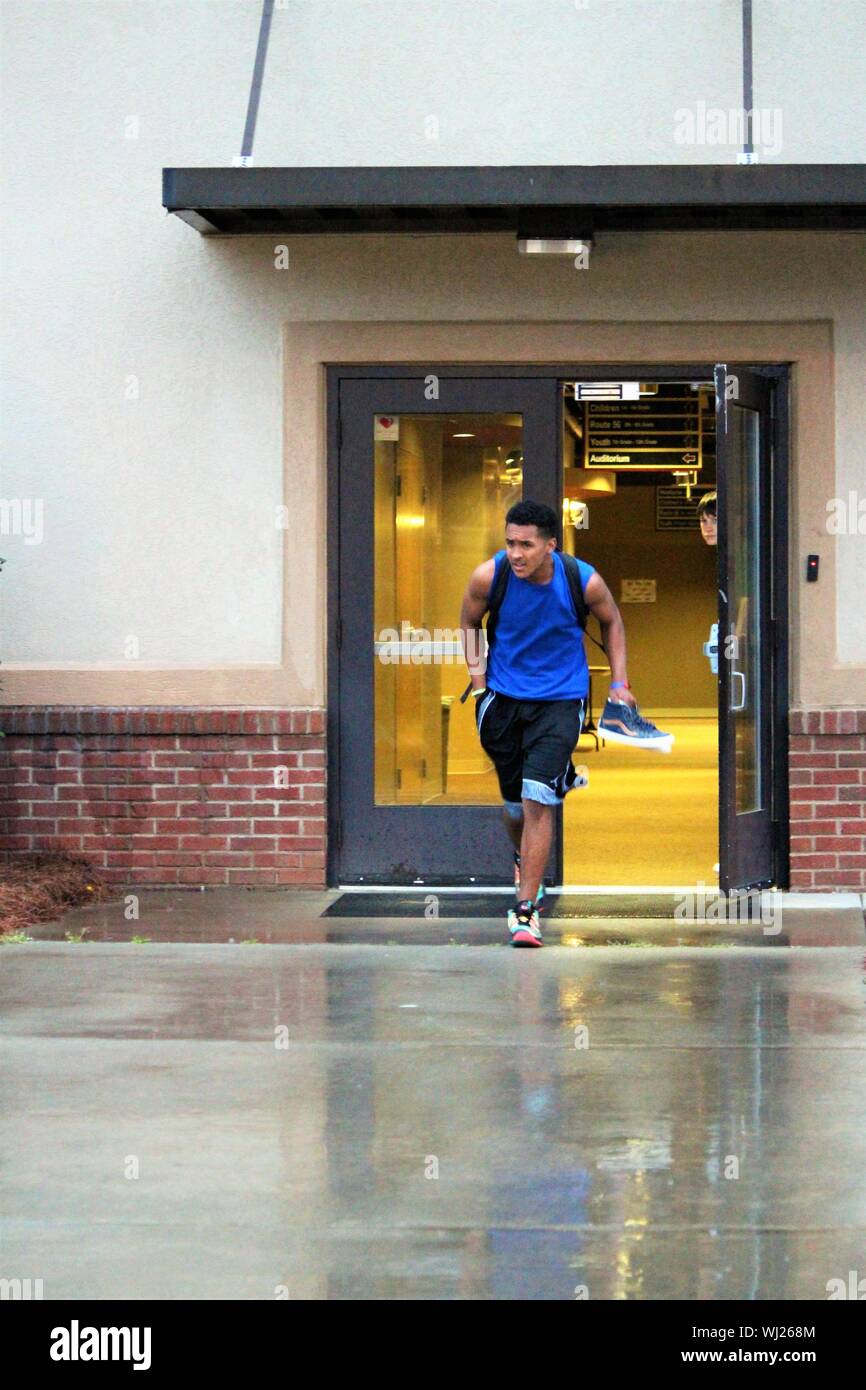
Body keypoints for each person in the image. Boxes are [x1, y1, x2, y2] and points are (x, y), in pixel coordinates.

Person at [459, 499, 670, 948]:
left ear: (550, 545)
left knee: (538, 797)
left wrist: (620, 683)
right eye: (510, 543)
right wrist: (479, 686)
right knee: (515, 805)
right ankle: (523, 854)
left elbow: (613, 622)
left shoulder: (581, 580)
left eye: (527, 545)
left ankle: (525, 910)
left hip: (560, 701)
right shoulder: (488, 576)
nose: (516, 554)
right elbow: (469, 623)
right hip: (502, 700)